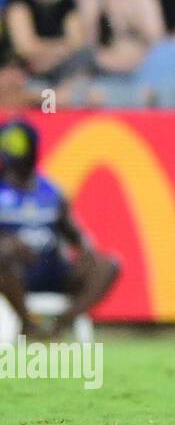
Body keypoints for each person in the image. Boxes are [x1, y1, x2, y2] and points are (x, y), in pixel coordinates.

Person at [0, 120, 120, 340]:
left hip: (52, 267)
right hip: (15, 273)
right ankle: (28, 324)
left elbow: (75, 235)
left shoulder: (51, 192)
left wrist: (86, 250)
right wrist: (8, 243)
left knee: (108, 265)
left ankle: (60, 324)